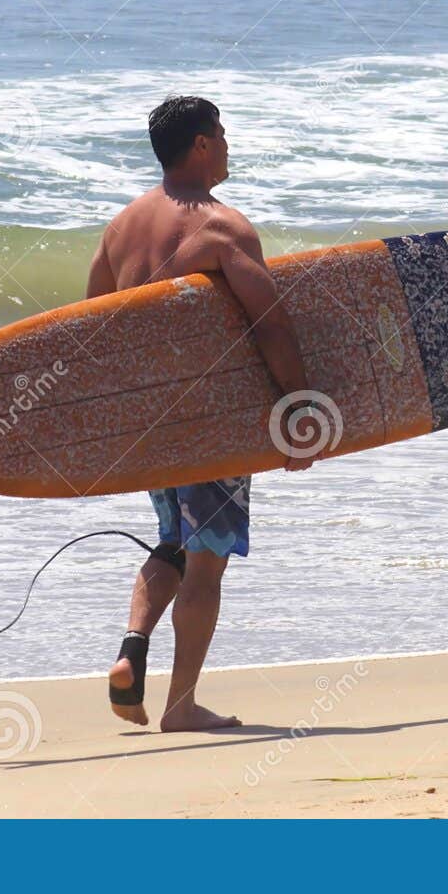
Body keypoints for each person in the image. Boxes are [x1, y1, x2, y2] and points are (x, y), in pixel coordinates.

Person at [87, 96, 314, 732]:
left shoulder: (121, 228)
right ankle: (181, 706)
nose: (228, 143)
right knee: (206, 560)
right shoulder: (222, 228)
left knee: (172, 544)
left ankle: (132, 650)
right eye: (222, 133)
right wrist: (300, 406)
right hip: (211, 425)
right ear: (202, 146)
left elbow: (88, 330)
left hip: (151, 422)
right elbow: (271, 322)